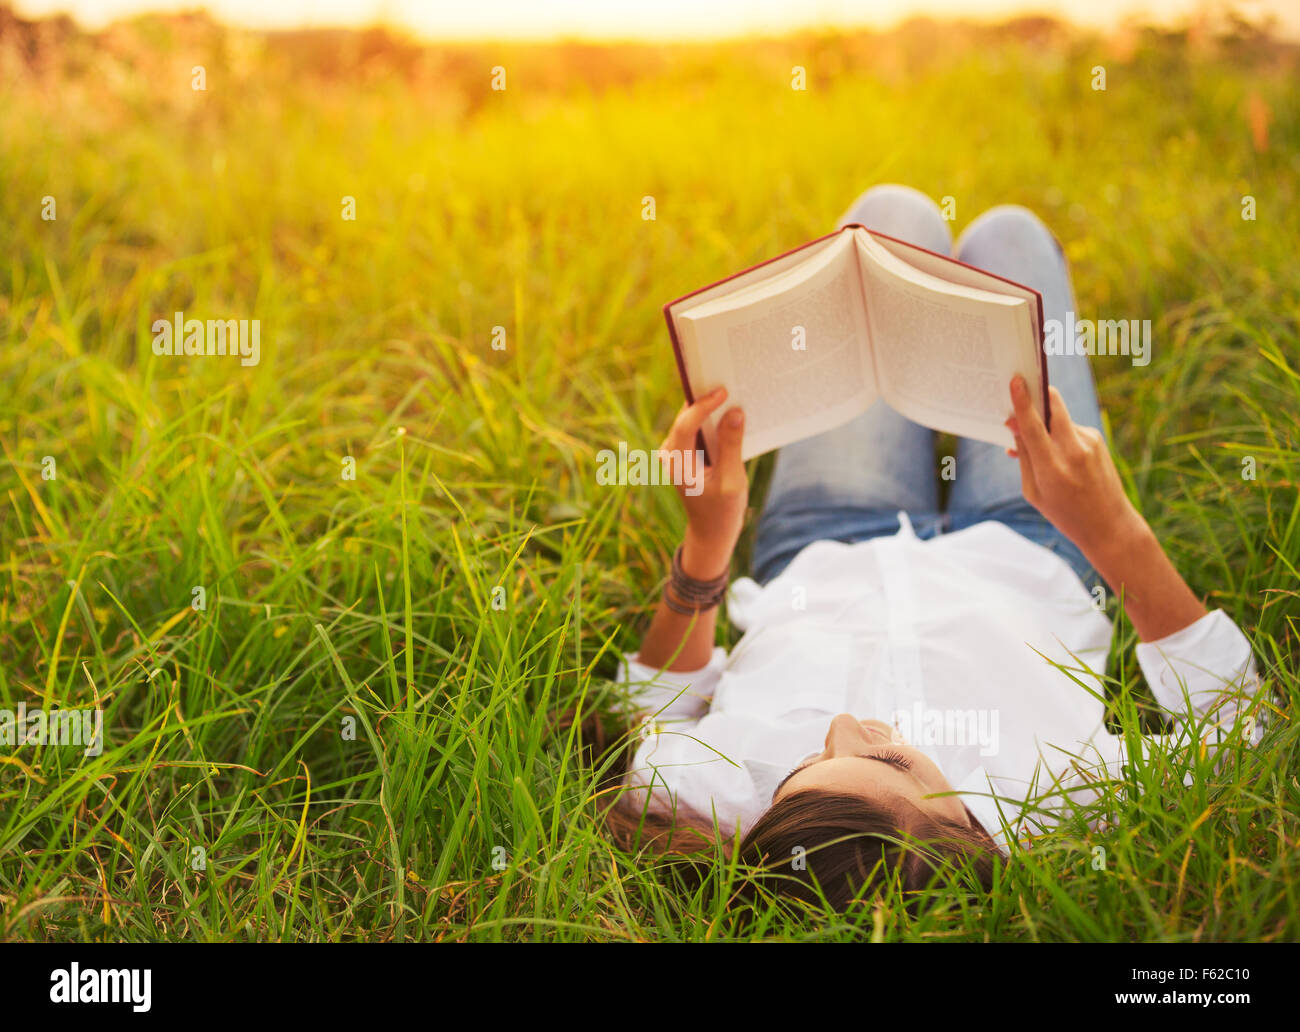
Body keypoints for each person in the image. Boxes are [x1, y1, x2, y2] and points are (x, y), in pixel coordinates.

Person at [591, 185, 1264, 911]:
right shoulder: (1060, 805)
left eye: (808, 765)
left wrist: (708, 542)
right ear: (968, 835)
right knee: (1012, 236)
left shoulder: (720, 804)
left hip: (827, 534)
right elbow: (1239, 738)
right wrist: (1114, 533)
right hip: (1035, 538)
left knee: (888, 220)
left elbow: (652, 708)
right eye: (887, 759)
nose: (840, 728)